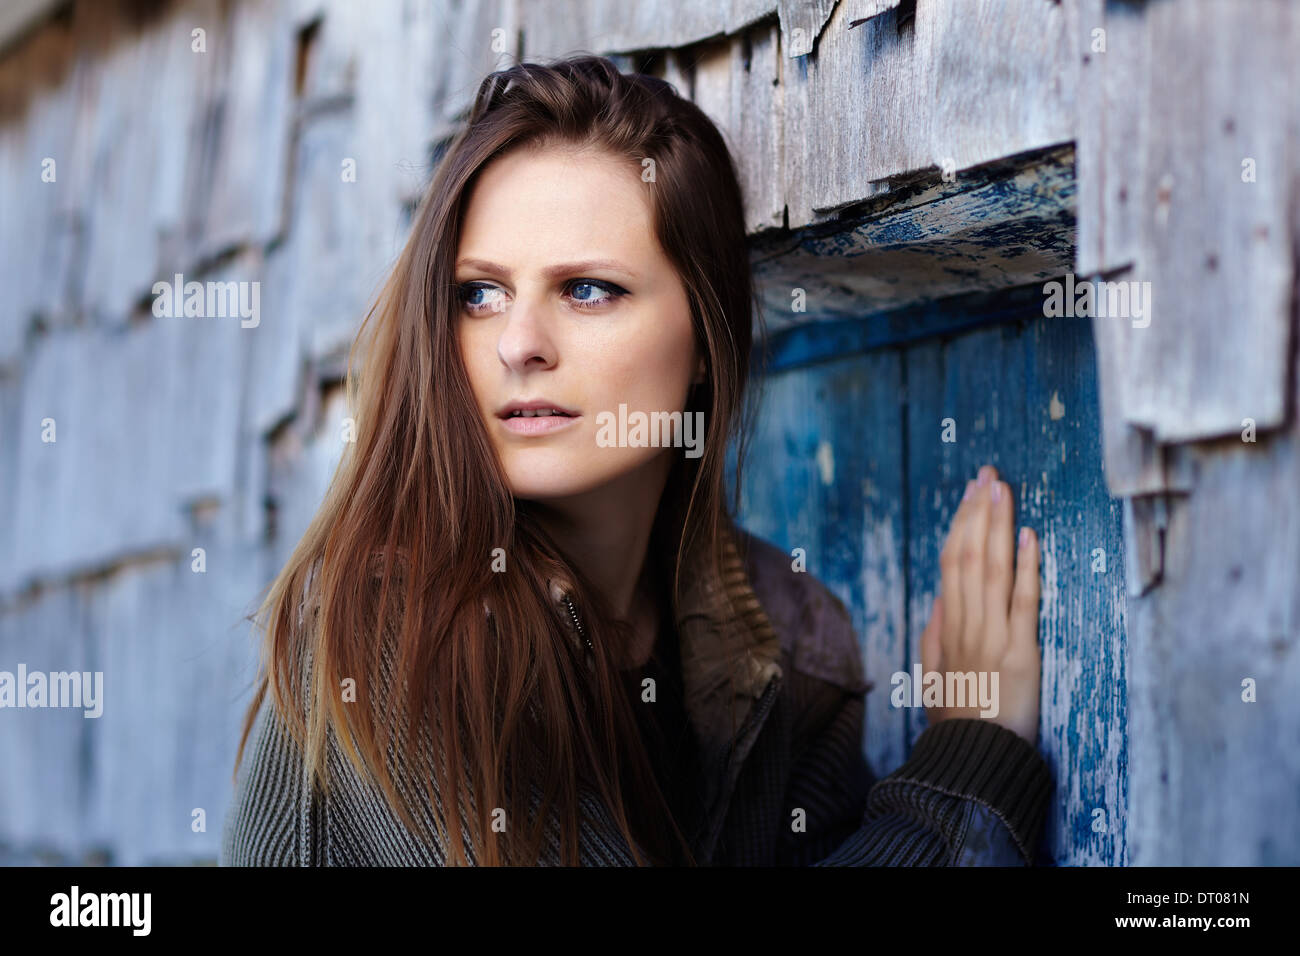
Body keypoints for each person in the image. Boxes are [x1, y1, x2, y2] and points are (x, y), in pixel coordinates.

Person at [220, 54, 1050, 867]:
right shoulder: (398, 634)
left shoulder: (785, 655)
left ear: (703, 339)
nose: (518, 344)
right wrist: (962, 771)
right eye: (479, 293)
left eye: (587, 289)